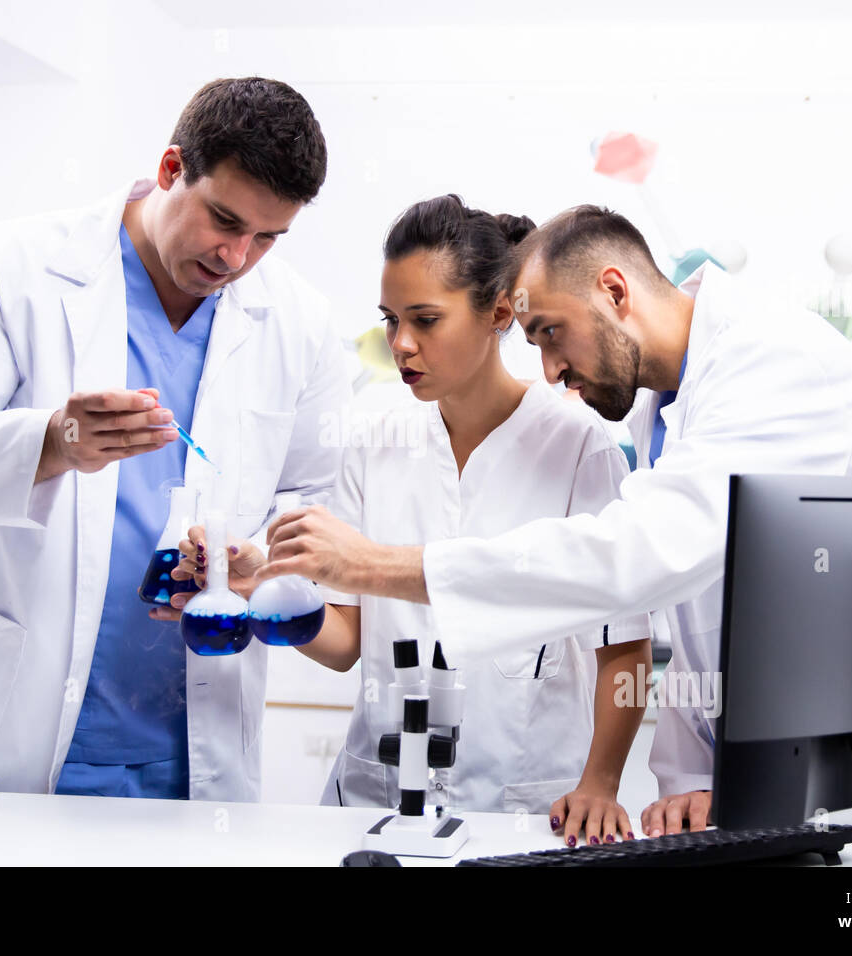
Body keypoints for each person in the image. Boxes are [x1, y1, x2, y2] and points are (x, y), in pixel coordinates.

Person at [252, 204, 852, 837]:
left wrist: (369, 564)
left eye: (551, 333)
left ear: (614, 291)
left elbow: (632, 563)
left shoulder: (773, 361)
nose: (548, 370)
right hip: (773, 777)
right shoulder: (663, 406)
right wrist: (694, 775)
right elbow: (700, 614)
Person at [0, 77, 351, 800]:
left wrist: (253, 557)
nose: (237, 258)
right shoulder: (12, 263)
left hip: (193, 749)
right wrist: (52, 443)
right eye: (223, 219)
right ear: (170, 168)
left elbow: (310, 502)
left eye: (267, 237)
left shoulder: (299, 322)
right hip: (6, 733)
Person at [160, 196, 651, 841]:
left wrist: (600, 782)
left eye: (425, 319)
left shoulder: (579, 446)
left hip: (520, 805)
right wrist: (259, 593)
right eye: (391, 321)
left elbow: (626, 644)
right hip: (375, 803)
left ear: (501, 312)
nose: (401, 345)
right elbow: (344, 645)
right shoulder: (373, 440)